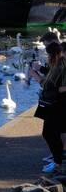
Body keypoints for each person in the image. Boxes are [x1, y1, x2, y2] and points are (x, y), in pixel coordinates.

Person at [34, 41, 66, 173]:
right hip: (56, 104)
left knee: (50, 132)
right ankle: (57, 160)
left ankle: (57, 162)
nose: (47, 58)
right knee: (52, 132)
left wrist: (36, 77)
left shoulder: (61, 65)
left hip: (58, 105)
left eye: (48, 55)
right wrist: (40, 70)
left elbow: (49, 85)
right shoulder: (58, 64)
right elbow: (52, 80)